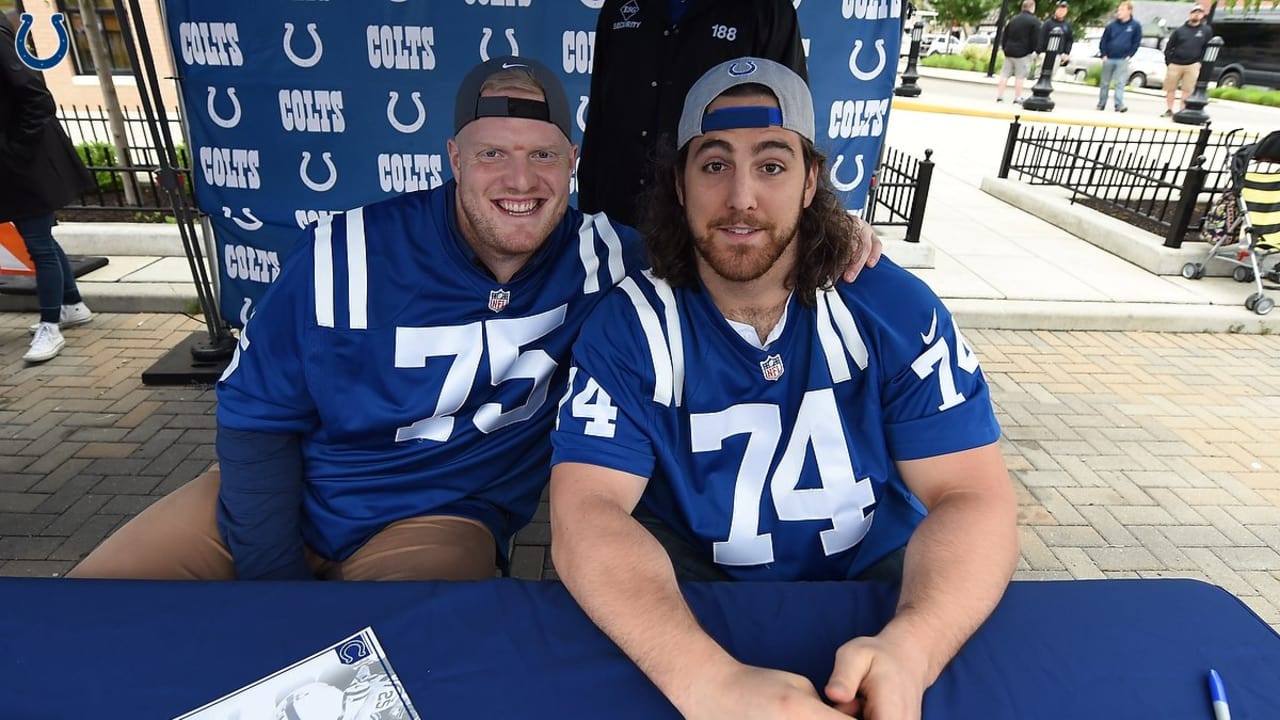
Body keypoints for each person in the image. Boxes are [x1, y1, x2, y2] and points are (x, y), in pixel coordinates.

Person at [67, 57, 881, 582]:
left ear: (571, 163)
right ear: (454, 159)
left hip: (437, 520)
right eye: (493, 152)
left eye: (541, 154)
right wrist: (271, 570)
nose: (518, 178)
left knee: (403, 674)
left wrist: (829, 229)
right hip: (274, 501)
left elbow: (731, 246)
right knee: (74, 620)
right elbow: (252, 416)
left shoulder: (612, 259)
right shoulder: (346, 252)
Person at [549, 57, 1018, 720]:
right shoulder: (630, 328)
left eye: (771, 165)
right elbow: (584, 514)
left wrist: (915, 646)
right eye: (713, 164)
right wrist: (705, 682)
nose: (742, 196)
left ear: (810, 183)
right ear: (679, 184)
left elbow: (973, 493)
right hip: (698, 592)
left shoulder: (892, 309)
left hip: (880, 585)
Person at [577, 0, 808, 229]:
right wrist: (587, 217)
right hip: (616, 215)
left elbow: (790, 129)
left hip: (709, 220)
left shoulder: (770, 9)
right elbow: (599, 117)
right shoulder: (618, 5)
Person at [1, 10, 96, 364]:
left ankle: (50, 326)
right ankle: (72, 305)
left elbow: (37, 98)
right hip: (19, 162)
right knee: (39, 238)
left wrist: (15, 151)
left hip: (28, 163)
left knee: (38, 242)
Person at [1162, 4, 1212, 118]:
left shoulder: (1206, 30)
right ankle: (1169, 109)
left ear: (1202, 15)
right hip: (1176, 63)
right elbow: (1169, 46)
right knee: (1170, 88)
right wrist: (1169, 62)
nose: (1196, 14)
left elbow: (1206, 47)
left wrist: (1200, 62)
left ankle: (1182, 110)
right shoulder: (1179, 30)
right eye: (1194, 12)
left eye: (1199, 12)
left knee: (1187, 89)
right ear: (1190, 14)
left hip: (1193, 64)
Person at [1097, 0, 1142, 112]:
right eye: (1119, 9)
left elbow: (1136, 42)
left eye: (1122, 10)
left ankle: (1119, 104)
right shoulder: (1111, 25)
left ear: (1129, 11)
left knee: (1120, 83)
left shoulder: (1135, 26)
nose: (1119, 12)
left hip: (1123, 58)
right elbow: (1104, 40)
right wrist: (1103, 54)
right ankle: (1101, 104)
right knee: (1105, 83)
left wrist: (1130, 55)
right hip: (1109, 57)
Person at [996, 0, 1041, 104]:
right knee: (1020, 76)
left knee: (1004, 75)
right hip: (1023, 53)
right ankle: (1017, 97)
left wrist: (1005, 48)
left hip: (1009, 51)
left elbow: (1005, 35)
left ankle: (1000, 96)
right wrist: (1034, 51)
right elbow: (1036, 38)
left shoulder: (1013, 19)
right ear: (1032, 7)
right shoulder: (1034, 22)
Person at [1039, 0, 1075, 76]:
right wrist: (1040, 51)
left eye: (1064, 10)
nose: (1061, 12)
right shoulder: (1048, 23)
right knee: (1040, 74)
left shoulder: (1067, 26)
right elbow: (1041, 37)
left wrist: (1066, 53)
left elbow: (1069, 40)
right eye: (1060, 9)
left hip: (1058, 55)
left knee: (1051, 75)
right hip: (1045, 54)